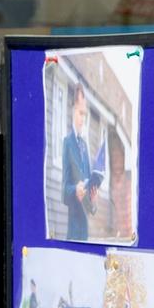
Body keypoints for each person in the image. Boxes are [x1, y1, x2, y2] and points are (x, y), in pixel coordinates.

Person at [60, 83, 99, 241]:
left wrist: (93, 201)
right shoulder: (67, 143)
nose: (82, 118)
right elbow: (63, 193)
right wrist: (75, 190)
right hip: (73, 231)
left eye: (85, 114)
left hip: (85, 233)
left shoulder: (85, 146)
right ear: (72, 111)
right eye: (80, 113)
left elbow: (91, 208)